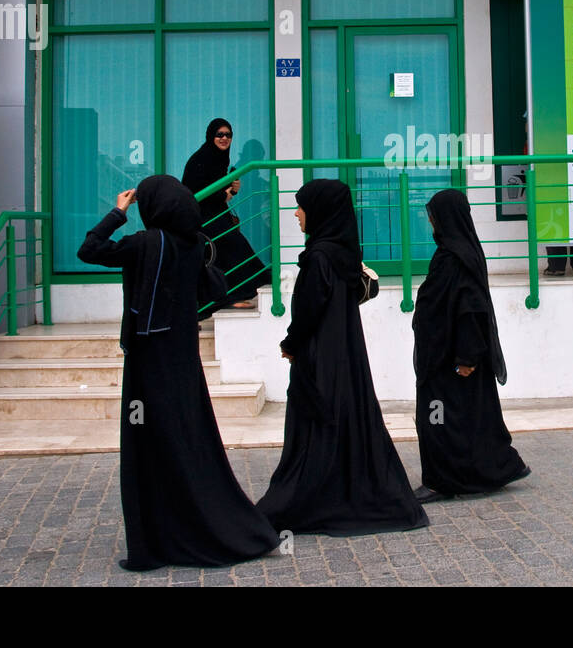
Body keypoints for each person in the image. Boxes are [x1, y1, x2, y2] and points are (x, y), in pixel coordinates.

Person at [78, 175, 279, 571]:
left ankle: (158, 538)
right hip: (183, 356)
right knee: (187, 437)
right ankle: (200, 522)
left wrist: (118, 212)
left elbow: (89, 250)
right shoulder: (194, 244)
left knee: (149, 446)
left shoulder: (144, 244)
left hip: (149, 357)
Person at [257, 179, 429, 536]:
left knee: (317, 423)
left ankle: (312, 499)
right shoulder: (342, 255)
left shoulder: (319, 258)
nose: (296, 214)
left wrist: (291, 343)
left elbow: (308, 312)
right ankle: (344, 493)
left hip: (320, 357)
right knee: (343, 419)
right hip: (344, 356)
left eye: (301, 207)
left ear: (319, 211)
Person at [411, 189, 529, 503]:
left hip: (452, 359)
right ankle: (495, 468)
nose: (431, 223)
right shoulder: (459, 251)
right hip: (450, 355)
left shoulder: (454, 258)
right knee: (469, 419)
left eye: (433, 217)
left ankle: (440, 481)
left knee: (438, 419)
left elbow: (470, 309)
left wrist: (466, 356)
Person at [181, 118, 268, 308]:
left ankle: (232, 296)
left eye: (228, 135)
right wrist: (223, 195)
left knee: (229, 251)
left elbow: (217, 187)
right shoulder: (202, 158)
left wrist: (232, 188)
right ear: (211, 136)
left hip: (215, 214)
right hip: (202, 217)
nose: (224, 138)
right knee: (234, 247)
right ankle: (235, 295)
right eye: (219, 134)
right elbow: (195, 191)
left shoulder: (220, 158)